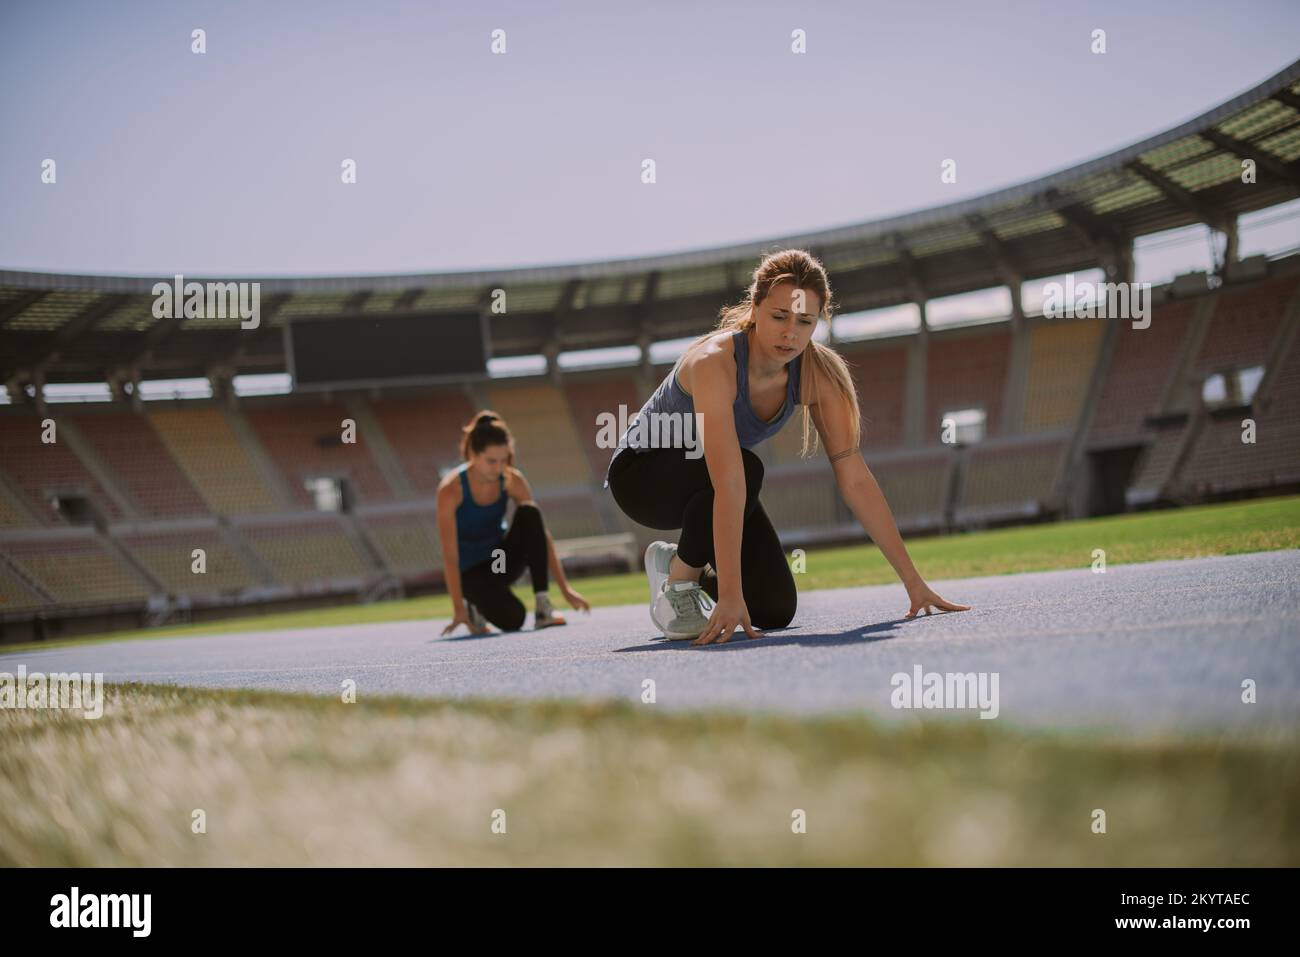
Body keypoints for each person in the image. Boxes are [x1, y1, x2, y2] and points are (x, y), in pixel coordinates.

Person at [604, 248, 970, 644]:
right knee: (747, 470)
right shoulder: (714, 363)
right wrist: (728, 594)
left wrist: (914, 583)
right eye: (779, 316)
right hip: (642, 477)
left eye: (805, 321)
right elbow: (728, 481)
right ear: (756, 306)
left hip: (711, 483)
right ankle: (679, 583)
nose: (790, 333)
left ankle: (672, 562)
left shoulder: (818, 376)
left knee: (773, 608)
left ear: (818, 323)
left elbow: (855, 479)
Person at [437, 411, 590, 636]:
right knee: (514, 619)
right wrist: (458, 608)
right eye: (491, 461)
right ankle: (473, 606)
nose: (499, 468)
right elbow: (449, 556)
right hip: (471, 572)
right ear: (473, 454)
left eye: (503, 459)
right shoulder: (451, 490)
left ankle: (542, 605)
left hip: (500, 562)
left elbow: (538, 532)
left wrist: (565, 589)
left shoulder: (512, 479)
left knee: (529, 512)